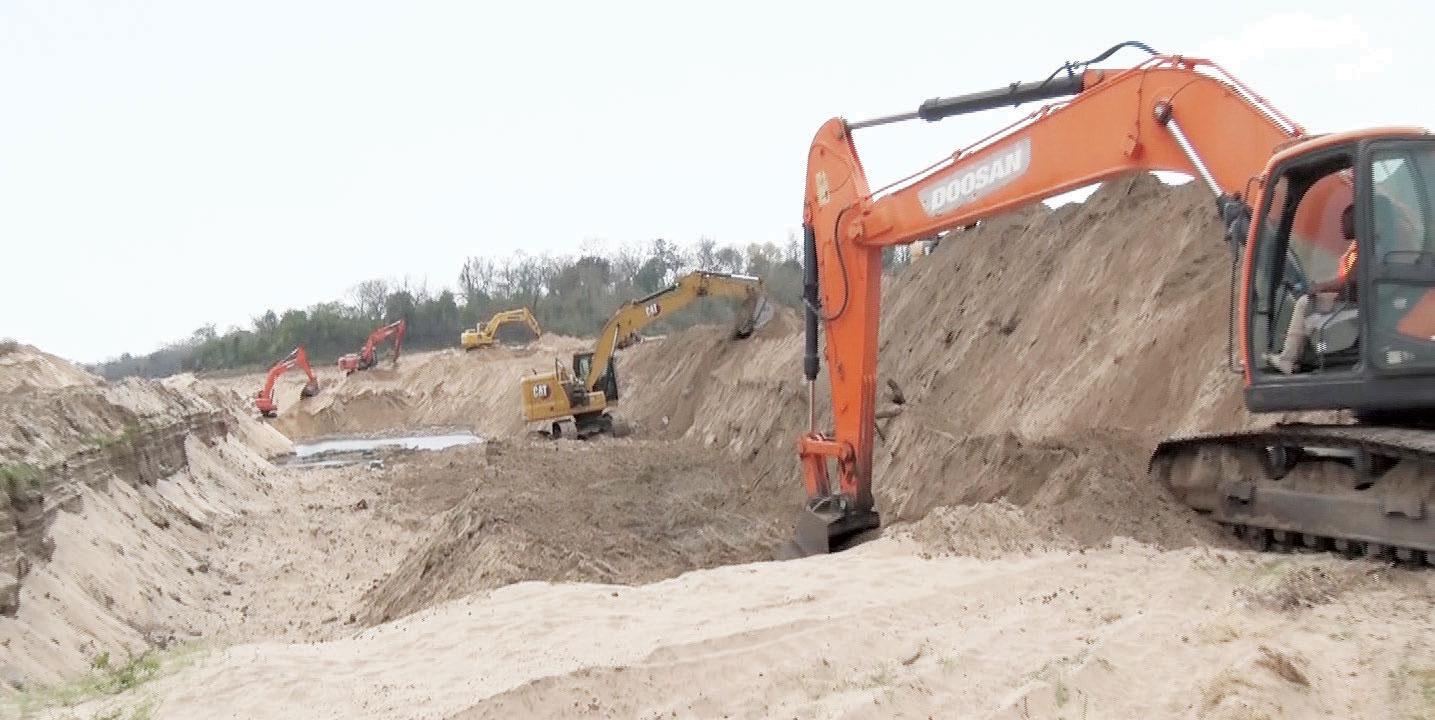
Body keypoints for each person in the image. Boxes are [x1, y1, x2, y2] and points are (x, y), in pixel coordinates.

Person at [1265, 205, 1359, 374]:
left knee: (1305, 302)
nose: (1341, 226)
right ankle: (1294, 351)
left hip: (1353, 303)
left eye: (1344, 220)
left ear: (1355, 221)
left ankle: (1288, 359)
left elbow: (1352, 279)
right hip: (1351, 299)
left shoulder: (1365, 247)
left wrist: (1320, 287)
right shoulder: (1361, 246)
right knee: (1308, 301)